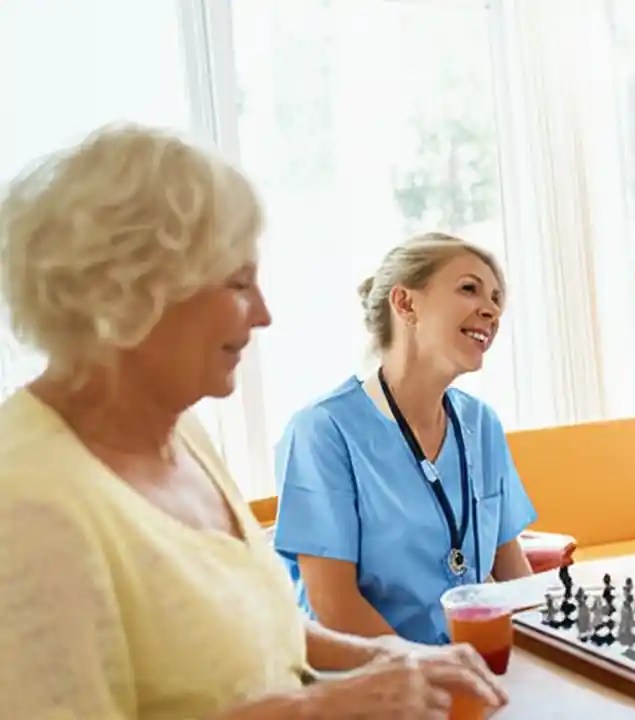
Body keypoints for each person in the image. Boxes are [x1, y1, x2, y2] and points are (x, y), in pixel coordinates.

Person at [0, 124, 506, 718]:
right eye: (239, 283)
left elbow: (260, 626)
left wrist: (389, 657)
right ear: (130, 292)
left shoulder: (180, 435)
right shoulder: (27, 500)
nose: (263, 314)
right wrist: (316, 710)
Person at [272, 233, 537, 647]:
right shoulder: (323, 430)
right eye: (469, 289)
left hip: (470, 670)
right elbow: (334, 606)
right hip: (372, 682)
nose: (492, 310)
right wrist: (432, 673)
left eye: (497, 299)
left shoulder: (481, 423)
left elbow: (511, 574)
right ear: (406, 303)